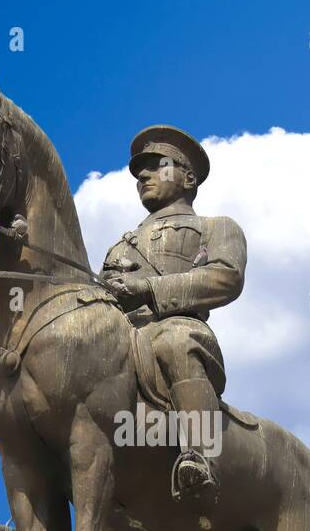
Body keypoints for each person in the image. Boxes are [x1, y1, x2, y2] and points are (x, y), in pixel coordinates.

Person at [101, 125, 247, 497]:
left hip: (179, 328)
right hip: (122, 340)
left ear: (188, 177)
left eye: (157, 166)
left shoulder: (216, 227)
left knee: (175, 340)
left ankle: (199, 456)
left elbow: (226, 278)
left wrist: (149, 288)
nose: (144, 176)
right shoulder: (119, 246)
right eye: (139, 172)